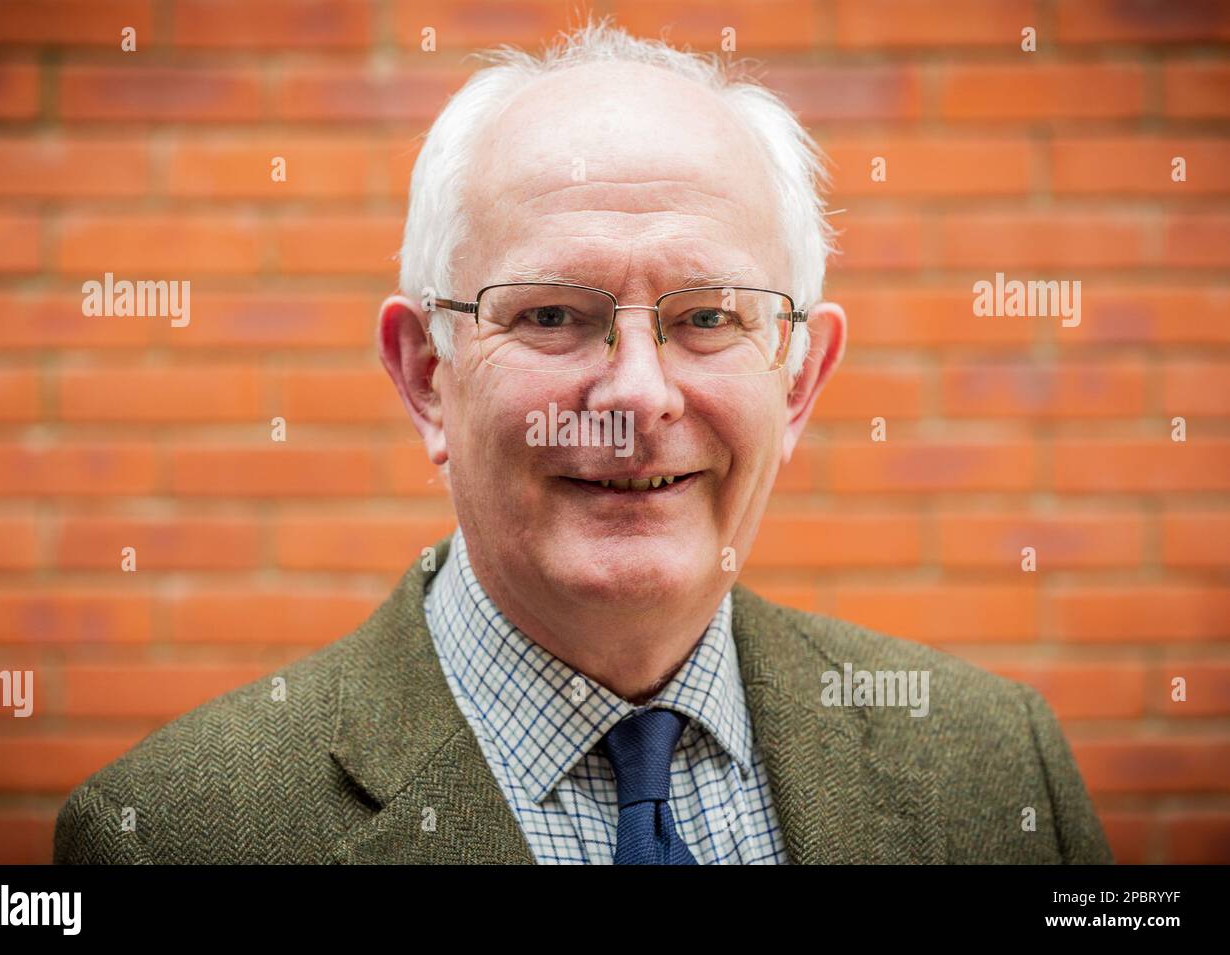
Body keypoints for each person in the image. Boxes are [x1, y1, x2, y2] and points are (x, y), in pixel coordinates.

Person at [55, 19, 1112, 865]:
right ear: (428, 374)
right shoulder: (178, 836)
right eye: (554, 315)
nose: (638, 396)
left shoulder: (994, 770)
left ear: (798, 378)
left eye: (707, 318)